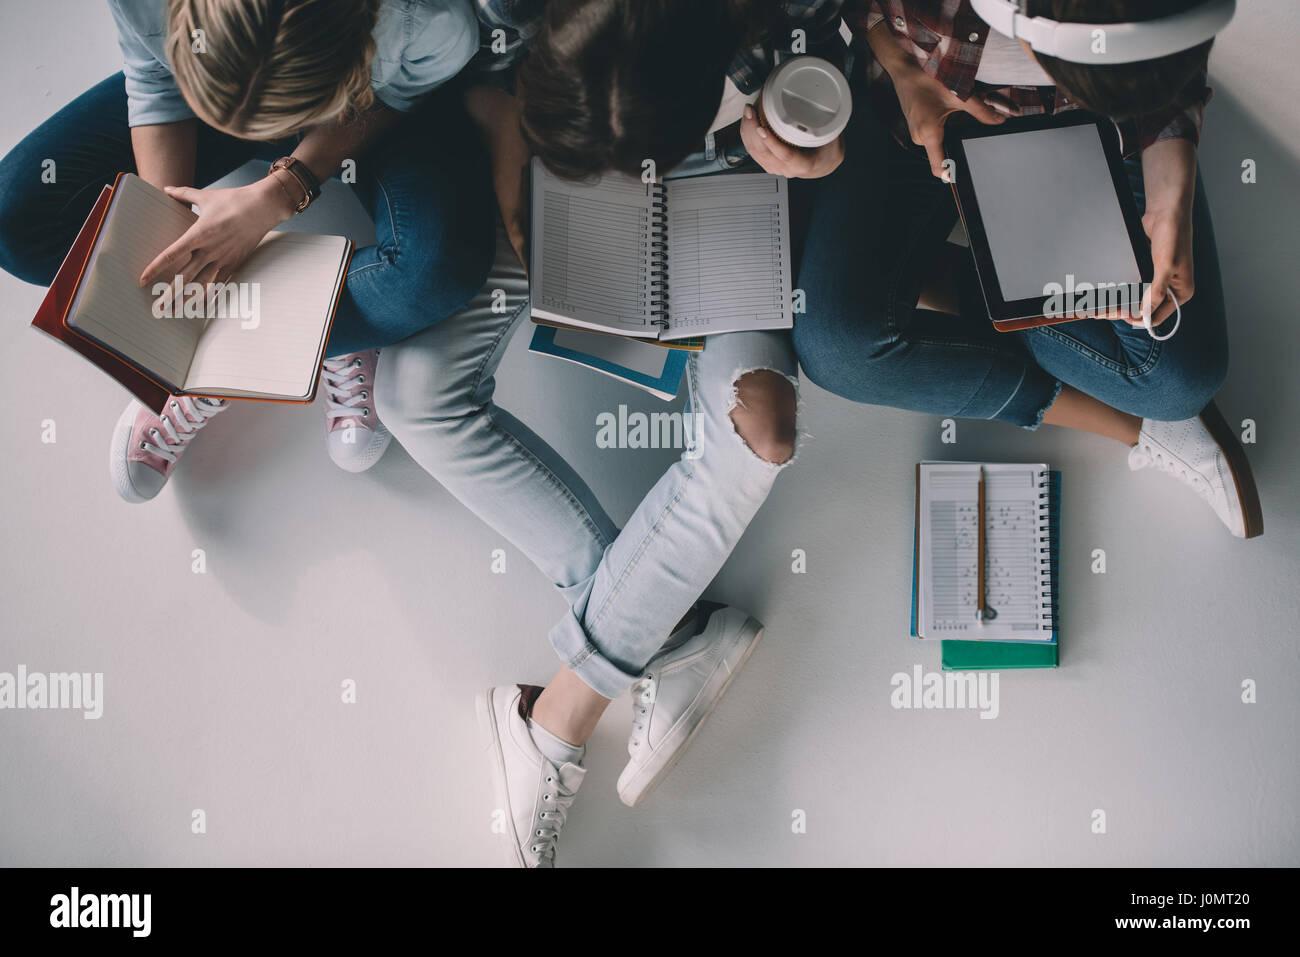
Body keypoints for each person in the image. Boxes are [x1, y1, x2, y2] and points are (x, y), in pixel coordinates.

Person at [375, 0, 848, 866]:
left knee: (764, 434)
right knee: (410, 392)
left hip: (721, 193)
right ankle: (662, 636)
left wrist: (811, 140)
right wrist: (517, 143)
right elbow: (469, 80)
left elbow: (848, 82)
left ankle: (557, 721)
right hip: (561, 174)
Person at [794, 0, 1262, 538]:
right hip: (917, 97)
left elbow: (1172, 39)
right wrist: (902, 72)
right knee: (839, 350)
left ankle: (952, 280)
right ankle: (1140, 430)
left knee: (1175, 382)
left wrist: (1169, 176)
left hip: (1097, 117)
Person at [0, 0, 496, 500]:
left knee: (438, 268)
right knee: (14, 225)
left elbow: (398, 94)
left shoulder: (429, 20)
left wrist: (278, 193)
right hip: (260, 71)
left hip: (369, 100)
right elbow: (153, 79)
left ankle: (283, 342)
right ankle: (320, 324)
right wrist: (167, 226)